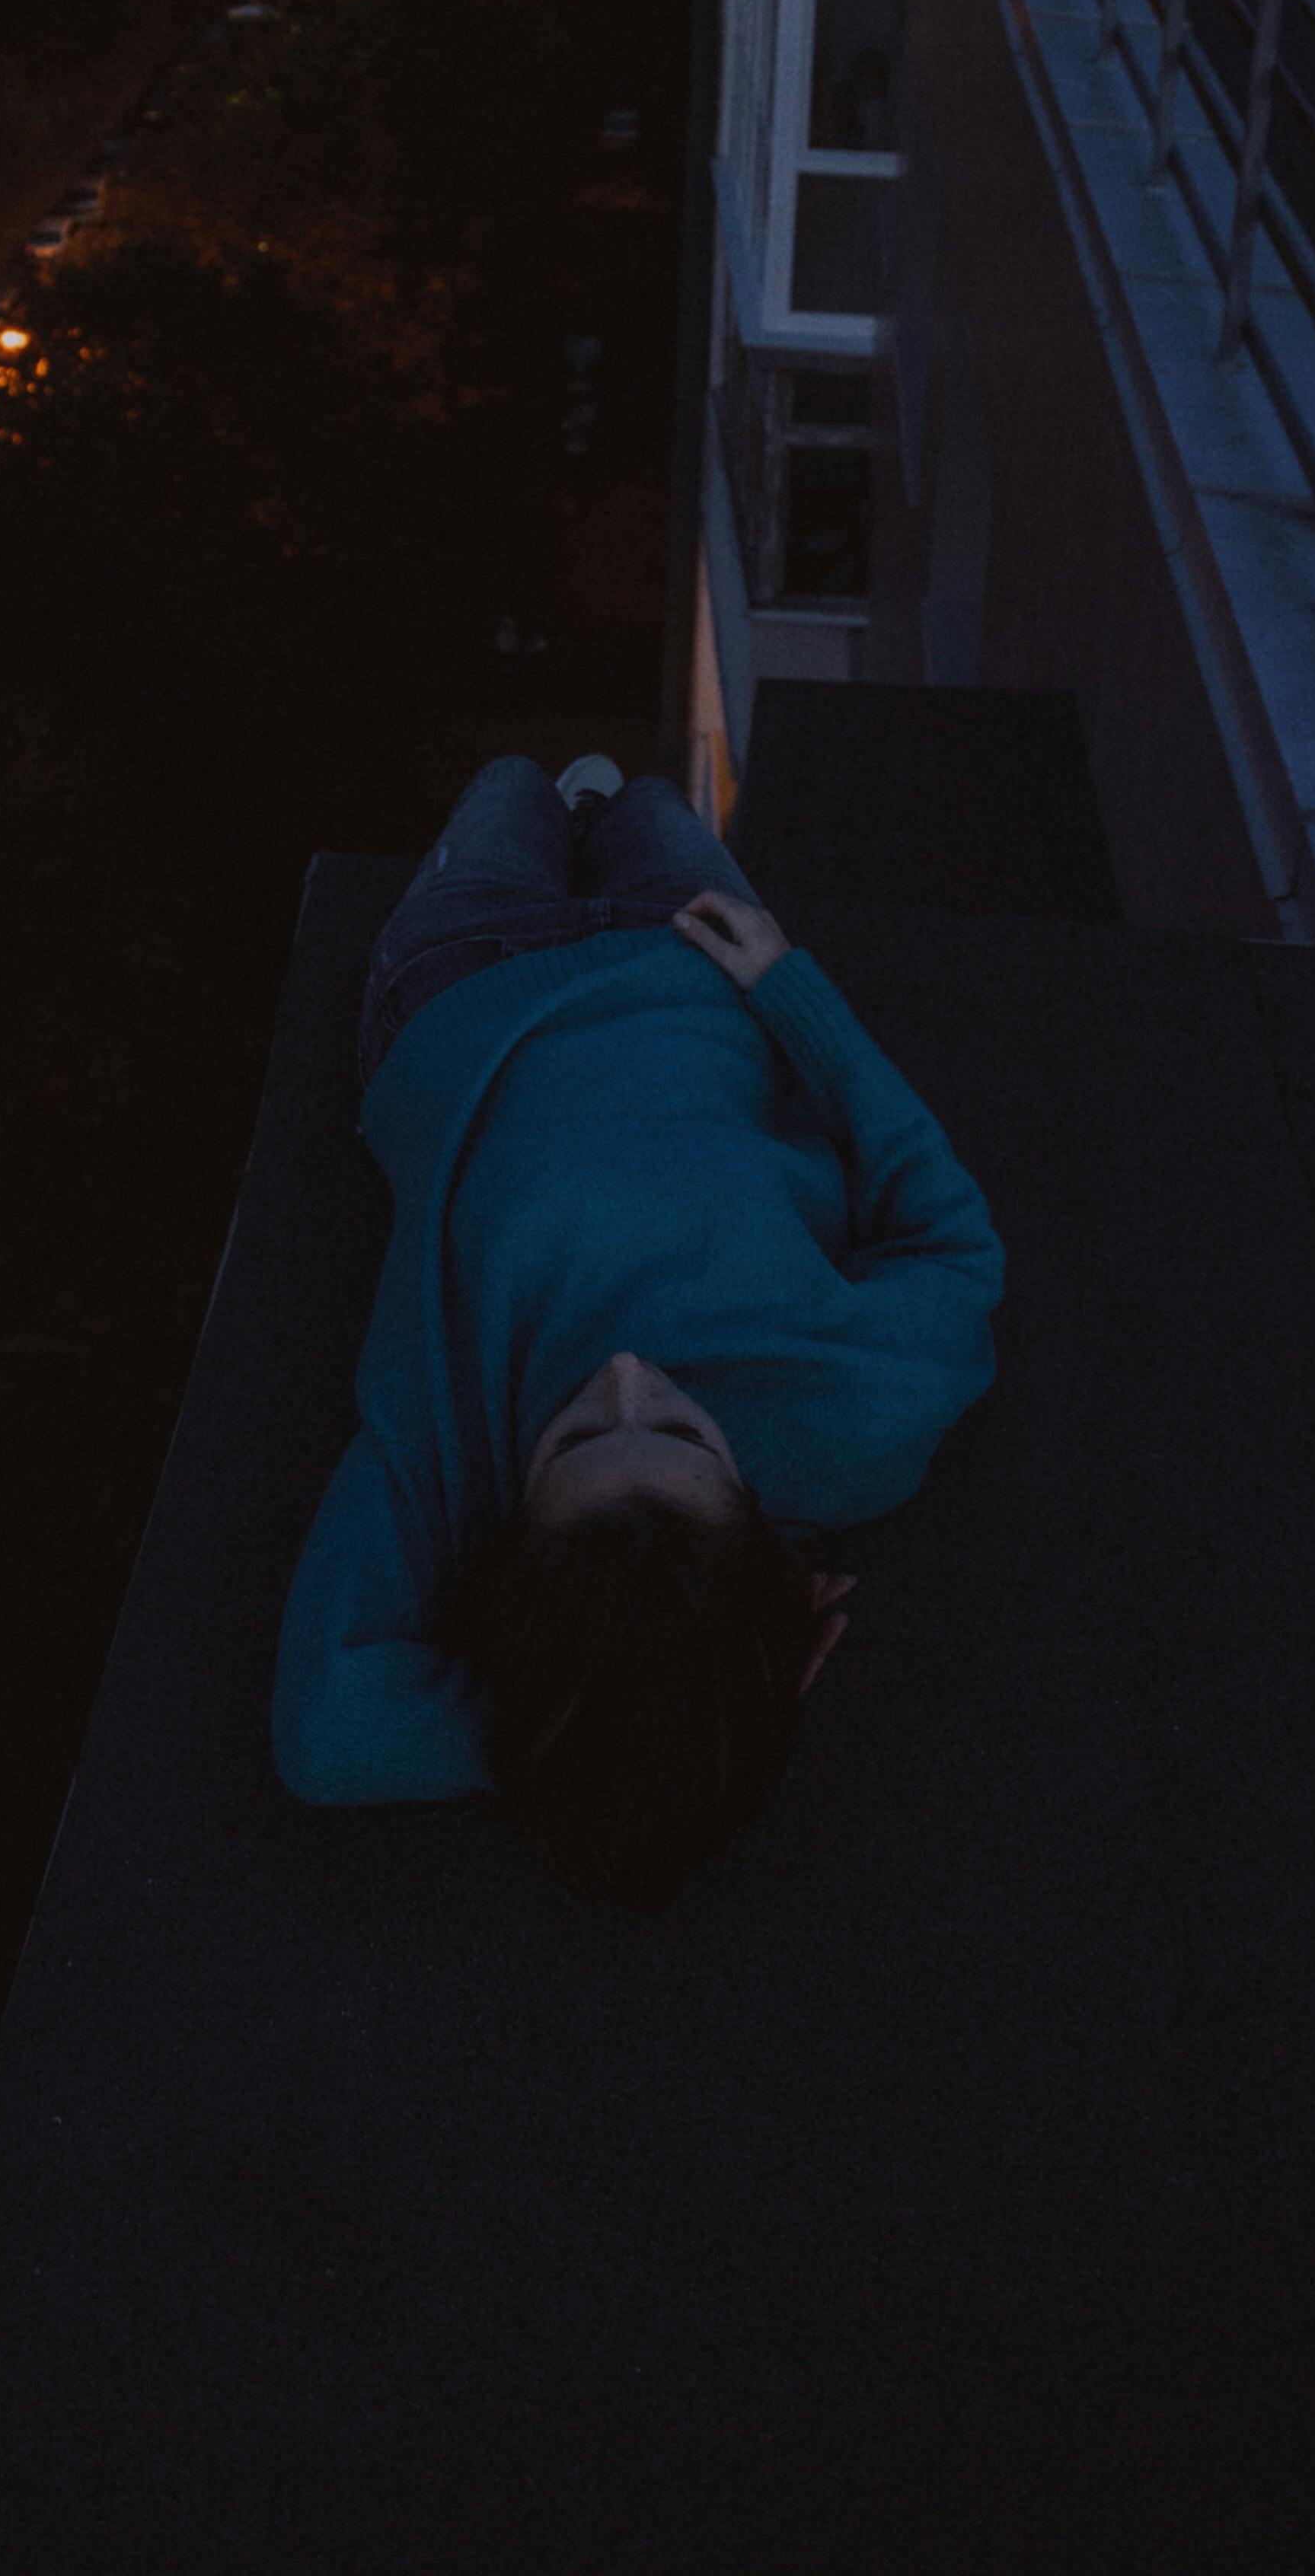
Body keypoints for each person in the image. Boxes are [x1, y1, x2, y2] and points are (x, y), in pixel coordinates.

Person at [273, 752, 1003, 1912]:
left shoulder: (451, 1457)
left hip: (465, 973)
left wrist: (622, 1697)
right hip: (702, 964)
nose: (620, 1375)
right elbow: (950, 1237)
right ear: (753, 1516)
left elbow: (327, 1732)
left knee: (505, 778)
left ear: (523, 1530)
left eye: (572, 1441)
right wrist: (791, 991)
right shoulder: (857, 1424)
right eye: (680, 1428)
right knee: (654, 799)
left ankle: (556, 793)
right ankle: (604, 799)